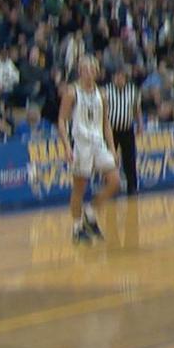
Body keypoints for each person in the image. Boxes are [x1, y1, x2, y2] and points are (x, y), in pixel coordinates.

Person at [58, 56, 121, 244]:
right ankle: (77, 228)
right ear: (80, 72)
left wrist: (112, 148)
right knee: (79, 188)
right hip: (81, 144)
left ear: (97, 72)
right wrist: (67, 147)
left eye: (93, 69)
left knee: (115, 181)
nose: (89, 73)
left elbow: (106, 123)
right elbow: (61, 120)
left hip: (98, 143)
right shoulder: (72, 92)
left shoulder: (102, 94)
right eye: (86, 69)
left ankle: (91, 212)